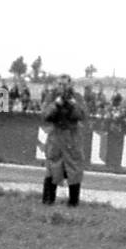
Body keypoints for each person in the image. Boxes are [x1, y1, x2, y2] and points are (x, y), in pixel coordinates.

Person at [41, 78, 85, 206]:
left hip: (72, 137)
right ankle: (48, 201)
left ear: (70, 84)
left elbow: (82, 115)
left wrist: (73, 105)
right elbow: (45, 116)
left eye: (65, 84)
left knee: (74, 169)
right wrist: (56, 104)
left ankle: (73, 203)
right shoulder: (52, 96)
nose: (62, 86)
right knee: (52, 168)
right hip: (56, 137)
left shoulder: (77, 97)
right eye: (60, 84)